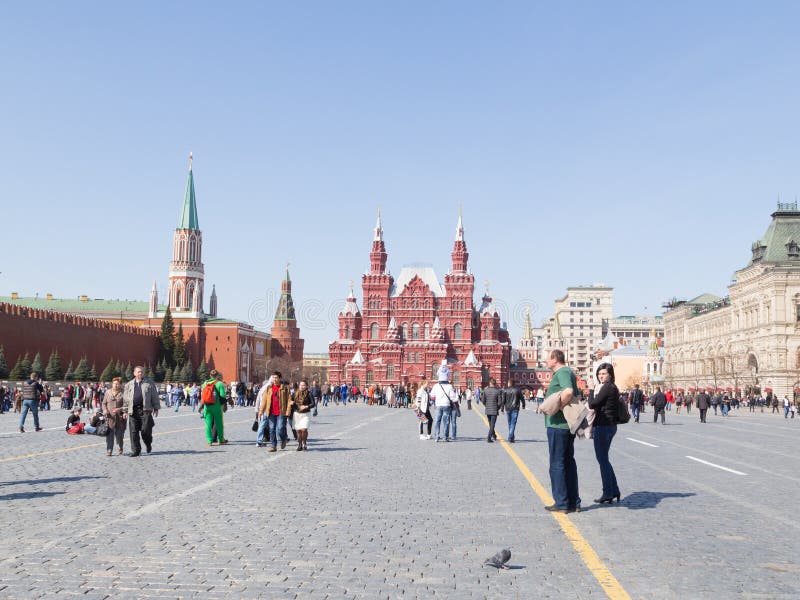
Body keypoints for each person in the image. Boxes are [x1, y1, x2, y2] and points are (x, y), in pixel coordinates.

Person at [543, 349, 581, 513]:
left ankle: (562, 502)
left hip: (559, 426)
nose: (545, 361)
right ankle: (573, 501)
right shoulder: (567, 372)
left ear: (554, 359)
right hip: (565, 427)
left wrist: (557, 407)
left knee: (557, 464)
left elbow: (569, 391)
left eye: (547, 358)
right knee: (567, 462)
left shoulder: (563, 372)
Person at [588, 363, 621, 504]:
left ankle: (608, 492)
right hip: (610, 426)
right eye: (599, 374)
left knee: (602, 460)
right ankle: (613, 490)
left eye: (604, 374)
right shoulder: (612, 387)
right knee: (604, 459)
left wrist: (590, 390)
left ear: (610, 375)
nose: (601, 376)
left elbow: (592, 404)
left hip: (603, 426)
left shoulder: (607, 387)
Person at [122, 366, 160, 457]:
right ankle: (136, 450)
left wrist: (156, 407)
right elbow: (125, 399)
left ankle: (148, 444)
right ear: (134, 373)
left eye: (141, 372)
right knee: (133, 432)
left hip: (145, 411)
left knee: (146, 431)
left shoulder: (149, 383)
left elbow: (154, 396)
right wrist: (124, 411)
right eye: (138, 372)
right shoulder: (129, 385)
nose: (140, 373)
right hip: (133, 410)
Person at [257, 371, 291, 452]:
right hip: (271, 412)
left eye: (276, 378)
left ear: (280, 378)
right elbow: (264, 400)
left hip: (281, 412)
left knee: (280, 428)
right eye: (273, 377)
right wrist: (261, 411)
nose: (274, 379)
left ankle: (283, 439)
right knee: (272, 429)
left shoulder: (285, 388)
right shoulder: (269, 388)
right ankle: (273, 446)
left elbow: (289, 400)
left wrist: (288, 411)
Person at [201, 370, 228, 446]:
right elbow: (223, 395)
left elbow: (202, 395)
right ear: (217, 376)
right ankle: (220, 439)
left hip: (207, 406)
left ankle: (209, 441)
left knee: (208, 424)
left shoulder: (205, 384)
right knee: (219, 423)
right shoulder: (219, 384)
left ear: (210, 375)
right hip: (216, 407)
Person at [102, 377, 126, 456]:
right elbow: (104, 403)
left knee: (119, 435)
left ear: (120, 385)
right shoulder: (107, 392)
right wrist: (105, 410)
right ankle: (109, 450)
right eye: (114, 383)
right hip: (110, 418)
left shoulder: (124, 393)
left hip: (120, 418)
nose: (115, 385)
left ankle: (120, 447)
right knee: (109, 435)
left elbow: (127, 405)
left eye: (117, 384)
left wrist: (120, 409)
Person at [430, 372, 454, 442]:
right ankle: (445, 437)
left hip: (438, 405)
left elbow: (432, 396)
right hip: (446, 405)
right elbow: (453, 397)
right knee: (446, 421)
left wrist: (435, 401)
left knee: (437, 421)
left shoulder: (436, 386)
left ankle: (437, 437)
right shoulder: (449, 386)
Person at [291, 380, 314, 450]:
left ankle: (304, 443)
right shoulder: (294, 393)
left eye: (304, 385)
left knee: (304, 429)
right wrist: (291, 403)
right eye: (301, 385)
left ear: (306, 386)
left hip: (306, 414)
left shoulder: (309, 393)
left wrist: (306, 406)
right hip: (297, 414)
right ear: (299, 386)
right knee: (298, 431)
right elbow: (291, 401)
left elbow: (313, 404)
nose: (302, 386)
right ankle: (300, 444)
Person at [502, 378, 525, 443]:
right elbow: (522, 398)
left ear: (509, 383)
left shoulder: (505, 390)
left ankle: (511, 437)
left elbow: (503, 400)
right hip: (515, 408)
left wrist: (502, 409)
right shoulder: (517, 390)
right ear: (514, 383)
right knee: (513, 423)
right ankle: (510, 437)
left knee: (510, 423)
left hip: (508, 408)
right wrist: (523, 405)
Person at [482, 379, 503, 443]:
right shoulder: (498, 391)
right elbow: (500, 402)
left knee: (490, 424)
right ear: (495, 384)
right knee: (492, 424)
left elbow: (483, 401)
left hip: (488, 410)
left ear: (490, 383)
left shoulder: (486, 391)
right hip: (494, 410)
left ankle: (494, 435)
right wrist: (497, 408)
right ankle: (489, 437)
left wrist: (486, 405)